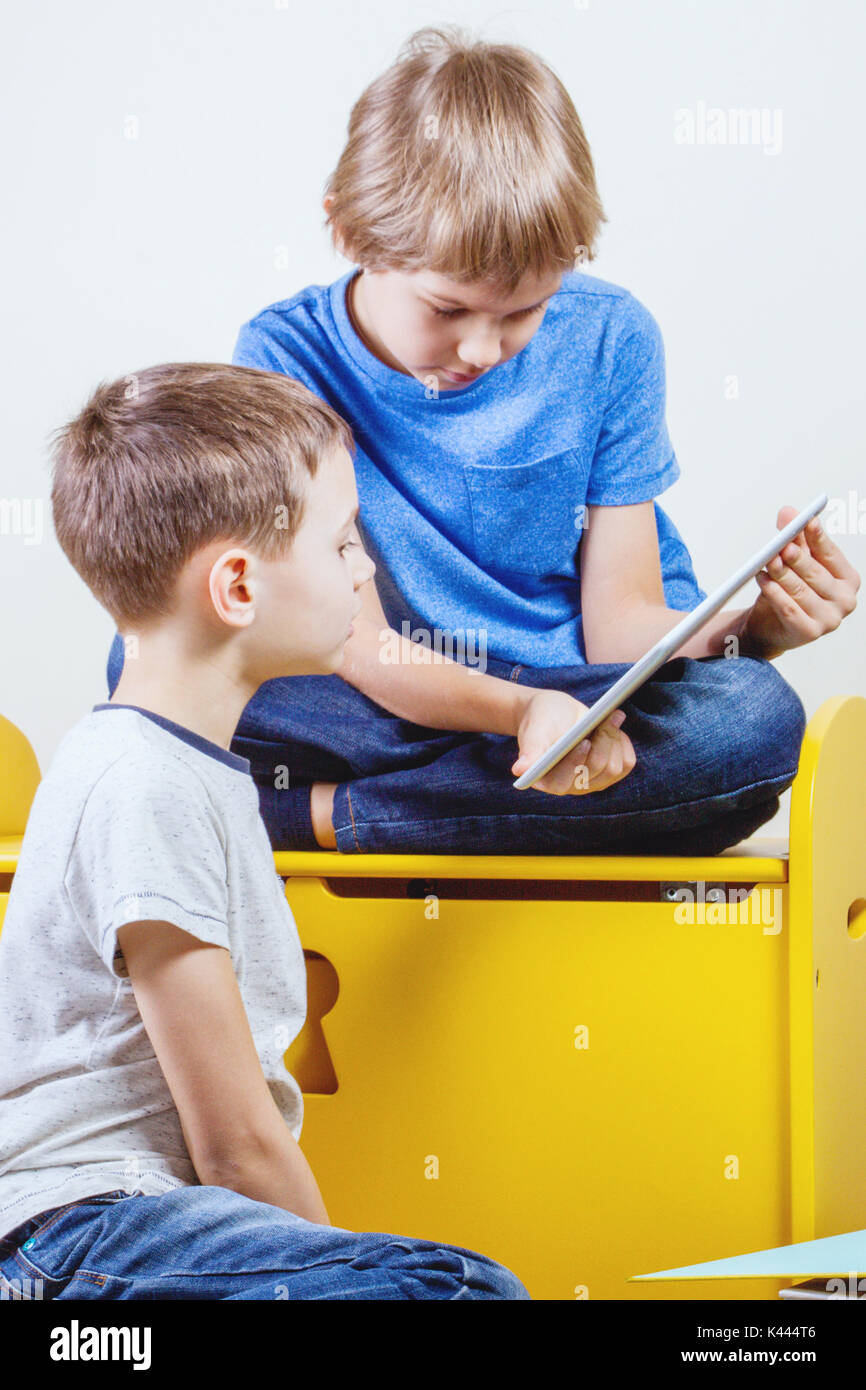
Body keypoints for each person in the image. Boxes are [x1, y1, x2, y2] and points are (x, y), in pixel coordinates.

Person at [107, 26, 859, 859]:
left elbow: (620, 629)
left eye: (524, 311)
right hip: (387, 687)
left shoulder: (612, 337)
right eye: (449, 309)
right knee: (153, 651)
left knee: (748, 723)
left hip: (584, 688)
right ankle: (522, 803)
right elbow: (351, 639)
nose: (483, 351)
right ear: (350, 234)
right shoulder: (288, 355)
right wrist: (514, 714)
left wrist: (753, 629)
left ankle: (321, 817)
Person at [0, 362, 529, 1300]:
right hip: (81, 1231)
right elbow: (237, 1146)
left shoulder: (188, 768)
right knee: (451, 1291)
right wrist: (339, 1273)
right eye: (342, 546)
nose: (367, 570)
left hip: (141, 1230)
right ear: (237, 586)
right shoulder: (144, 785)